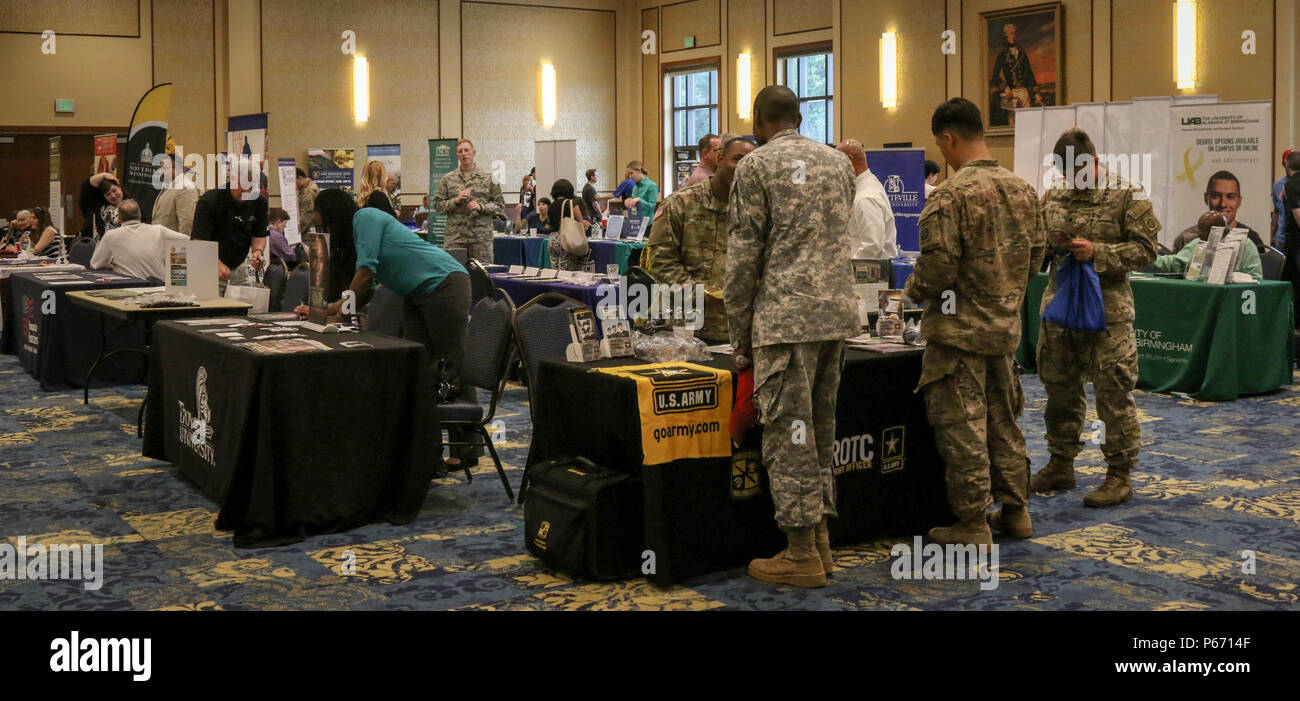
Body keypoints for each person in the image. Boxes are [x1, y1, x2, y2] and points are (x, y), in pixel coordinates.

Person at [726, 85, 858, 588]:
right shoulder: (839, 163)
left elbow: (743, 260)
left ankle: (800, 551)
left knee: (789, 434)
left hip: (785, 319)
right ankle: (821, 541)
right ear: (799, 117)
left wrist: (739, 334)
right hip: (836, 314)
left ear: (759, 121)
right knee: (821, 430)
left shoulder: (756, 167)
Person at [903, 98, 1046, 546]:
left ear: (947, 139)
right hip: (1004, 334)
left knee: (963, 429)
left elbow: (938, 270)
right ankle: (1017, 511)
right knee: (1004, 423)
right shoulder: (1024, 191)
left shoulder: (949, 196)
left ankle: (971, 523)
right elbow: (1036, 261)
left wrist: (910, 293)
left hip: (957, 337)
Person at [1030, 128, 1159, 507]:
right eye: (1068, 174)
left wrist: (1098, 252)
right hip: (1060, 309)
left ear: (1096, 161)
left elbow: (1147, 250)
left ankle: (1118, 475)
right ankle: (1061, 462)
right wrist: (1047, 247)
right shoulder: (1053, 194)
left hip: (1108, 314)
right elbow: (1037, 246)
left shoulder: (1127, 194)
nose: (1075, 182)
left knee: (1113, 394)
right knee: (1059, 389)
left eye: (1081, 172)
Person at [314, 206, 470, 409]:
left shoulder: (364, 217)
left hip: (445, 283)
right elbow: (365, 289)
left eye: (322, 226)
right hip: (415, 294)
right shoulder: (358, 235)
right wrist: (330, 310)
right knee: (416, 364)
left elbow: (365, 274)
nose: (323, 233)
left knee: (450, 365)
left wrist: (340, 315)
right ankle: (424, 434)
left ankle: (468, 435)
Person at [647, 134, 755, 343]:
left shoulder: (755, 210)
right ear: (719, 158)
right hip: (687, 330)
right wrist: (702, 294)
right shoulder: (680, 204)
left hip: (738, 332)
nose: (743, 168)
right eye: (737, 159)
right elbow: (661, 262)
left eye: (751, 164)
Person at [192, 157, 269, 287]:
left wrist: (257, 252)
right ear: (232, 179)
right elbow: (198, 242)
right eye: (243, 187)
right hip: (209, 266)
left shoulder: (259, 202)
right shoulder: (210, 201)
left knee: (246, 305)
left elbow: (259, 235)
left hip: (239, 268)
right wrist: (216, 264)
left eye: (251, 187)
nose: (247, 192)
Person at [432, 138, 505, 263]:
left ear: (474, 153)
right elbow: (438, 206)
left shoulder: (489, 177)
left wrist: (481, 207)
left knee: (483, 277)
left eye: (467, 150)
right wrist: (455, 200)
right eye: (460, 151)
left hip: (480, 239)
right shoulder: (447, 179)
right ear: (457, 156)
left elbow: (500, 205)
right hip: (455, 238)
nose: (464, 153)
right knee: (454, 275)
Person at [89, 199, 189, 281]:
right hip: (162, 288)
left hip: (131, 289)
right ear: (140, 215)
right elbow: (188, 240)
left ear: (118, 219)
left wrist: (110, 266)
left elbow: (94, 265)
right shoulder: (159, 230)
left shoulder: (111, 236)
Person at [1168, 171, 1265, 256]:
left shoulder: (1251, 239)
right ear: (1206, 198)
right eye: (1216, 196)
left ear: (1239, 201)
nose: (1223, 204)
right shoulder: (1186, 239)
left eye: (1230, 197)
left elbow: (1259, 276)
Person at [837, 139, 899, 259]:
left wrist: (844, 268)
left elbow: (872, 247)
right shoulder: (867, 184)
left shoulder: (865, 197)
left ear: (850, 160)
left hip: (868, 272)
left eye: (837, 162)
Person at [546, 179, 590, 271]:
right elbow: (581, 223)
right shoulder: (571, 203)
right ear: (569, 190)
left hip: (552, 239)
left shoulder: (551, 206)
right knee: (567, 271)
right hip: (566, 239)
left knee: (555, 269)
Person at [152, 154, 199, 235]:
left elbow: (187, 223)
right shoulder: (168, 186)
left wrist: (182, 246)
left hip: (174, 245)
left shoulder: (185, 187)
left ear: (177, 168)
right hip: (161, 242)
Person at [79, 172, 128, 239]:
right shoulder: (100, 206)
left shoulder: (133, 205)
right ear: (104, 197)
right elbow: (85, 186)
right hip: (106, 244)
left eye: (114, 191)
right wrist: (103, 175)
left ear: (119, 187)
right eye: (108, 194)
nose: (113, 196)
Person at [1282, 150, 1300, 322]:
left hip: (1295, 239)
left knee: (1295, 279)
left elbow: (1297, 214)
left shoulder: (1290, 185)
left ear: (1287, 166)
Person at [1270, 149, 1294, 249]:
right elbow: (1276, 212)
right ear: (1284, 165)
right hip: (1281, 239)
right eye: (1287, 164)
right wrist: (1271, 235)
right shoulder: (1277, 185)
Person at [296, 168, 319, 233]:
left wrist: (296, 232)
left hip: (307, 234)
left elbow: (307, 216)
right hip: (308, 231)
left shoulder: (308, 192)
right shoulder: (306, 188)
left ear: (300, 178)